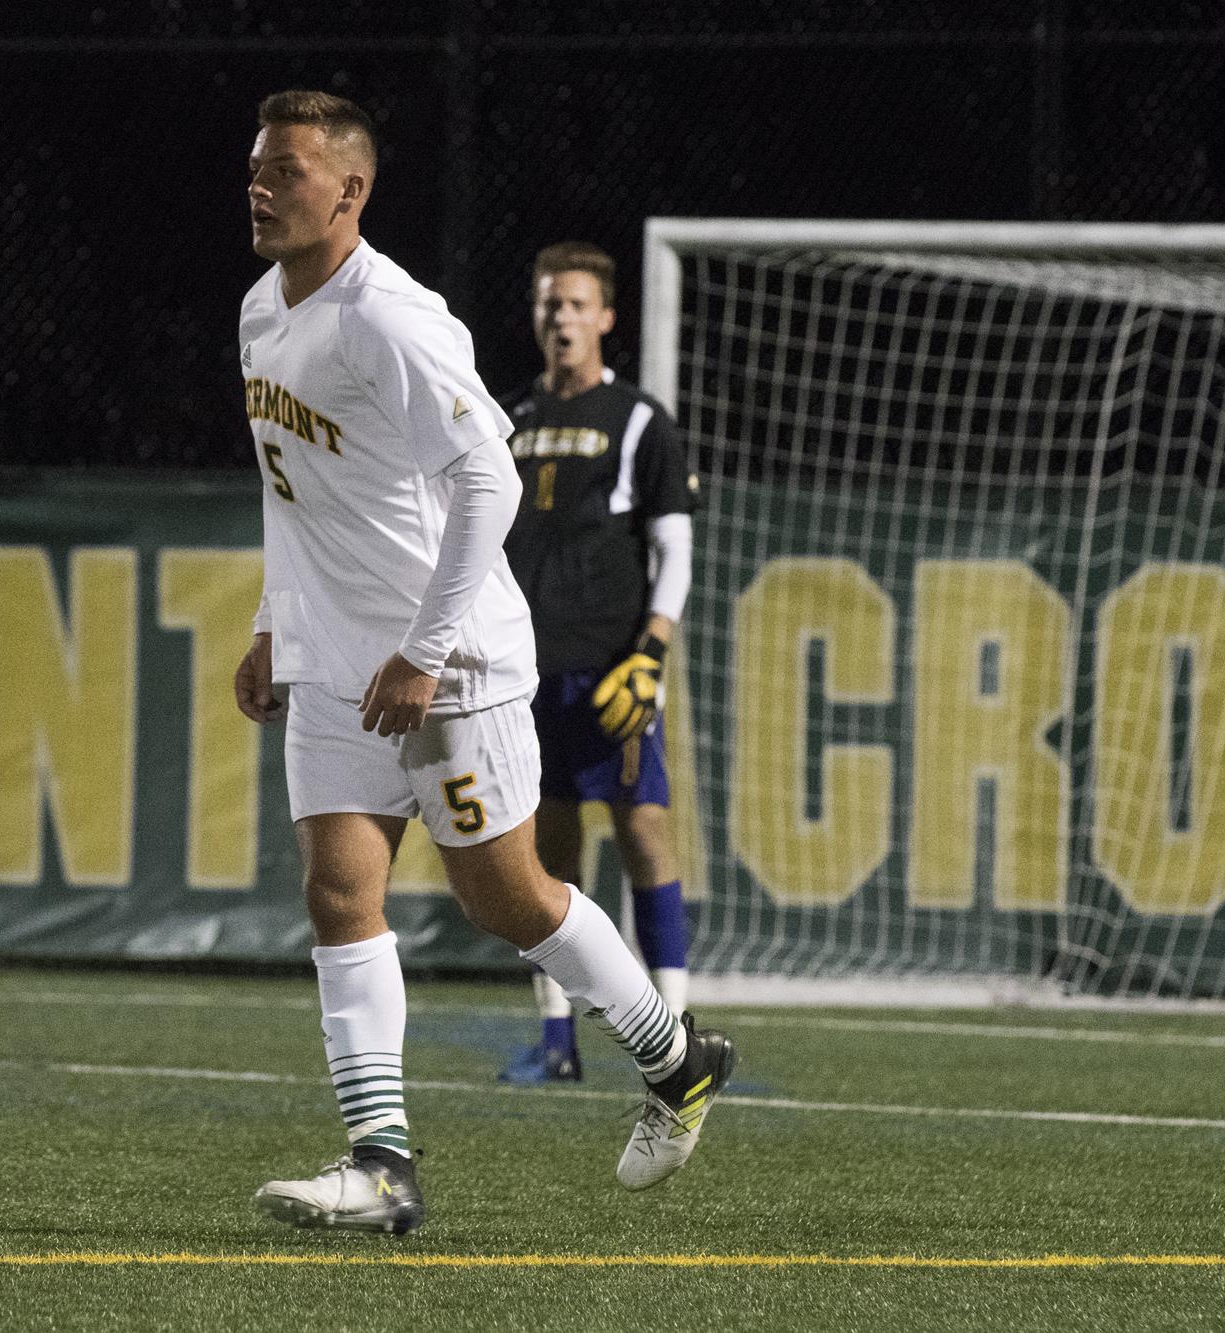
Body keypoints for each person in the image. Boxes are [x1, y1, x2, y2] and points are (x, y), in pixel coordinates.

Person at [233, 90, 735, 1236]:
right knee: (337, 892)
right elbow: (287, 491)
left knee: (506, 901)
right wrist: (273, 621)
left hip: (447, 663)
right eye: (255, 167)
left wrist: (422, 647)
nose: (259, 187)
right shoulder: (262, 309)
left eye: (286, 171)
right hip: (334, 660)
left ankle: (675, 1057)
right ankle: (382, 1165)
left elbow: (490, 483)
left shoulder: (393, 318)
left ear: (348, 190)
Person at [498, 242, 699, 1085]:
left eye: (578, 304)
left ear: (607, 317)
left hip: (612, 667)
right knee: (545, 853)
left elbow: (674, 545)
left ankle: (678, 1016)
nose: (562, 317)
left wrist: (651, 649)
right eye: (550, 303)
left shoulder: (641, 419)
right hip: (523, 672)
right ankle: (556, 1038)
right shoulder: (507, 421)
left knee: (644, 829)